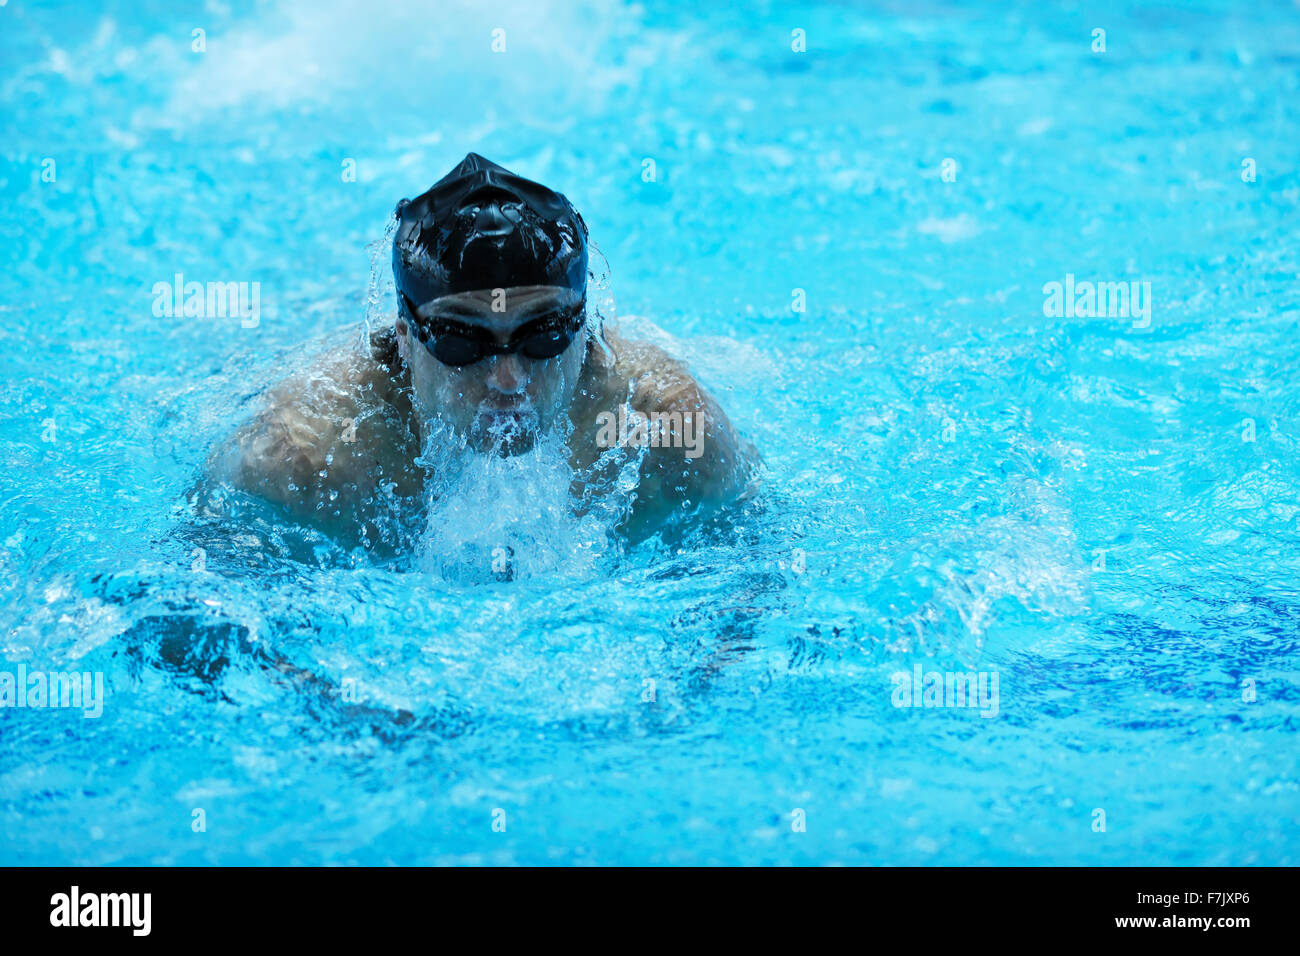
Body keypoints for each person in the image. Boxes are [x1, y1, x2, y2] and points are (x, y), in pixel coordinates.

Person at [208, 153, 754, 557]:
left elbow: (756, 581)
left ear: (583, 329)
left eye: (544, 335)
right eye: (461, 342)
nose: (508, 378)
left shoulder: (666, 433)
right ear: (405, 338)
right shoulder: (306, 457)